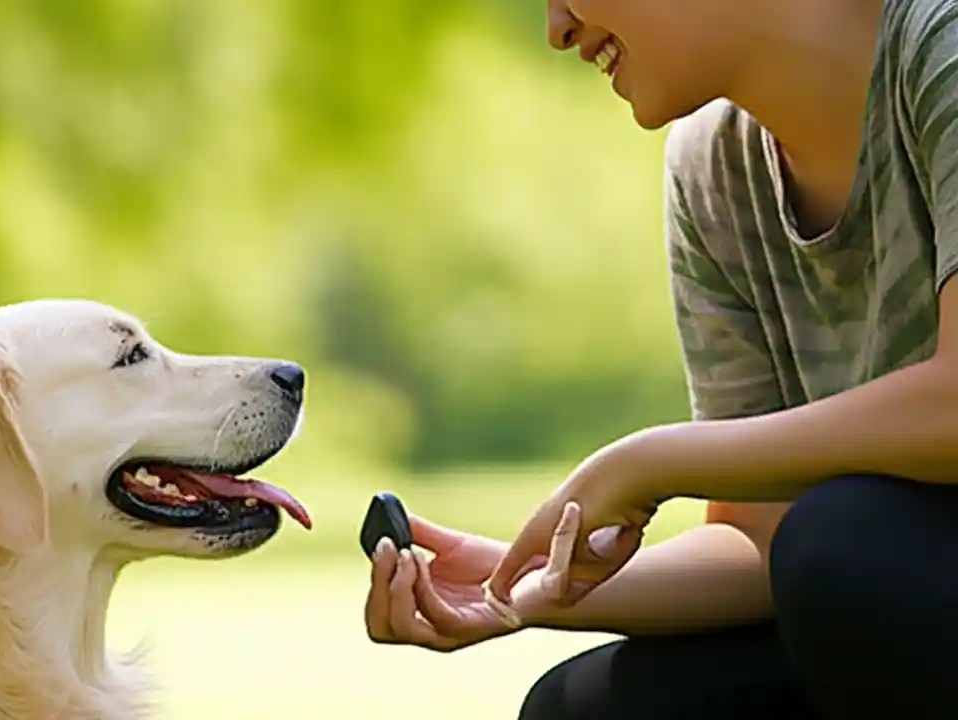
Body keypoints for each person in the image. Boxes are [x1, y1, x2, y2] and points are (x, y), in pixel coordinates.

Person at [362, 0, 958, 716]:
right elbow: (758, 539)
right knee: (584, 708)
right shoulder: (712, 168)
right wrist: (520, 585)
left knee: (844, 544)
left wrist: (657, 460)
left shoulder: (941, 41)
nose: (557, 29)